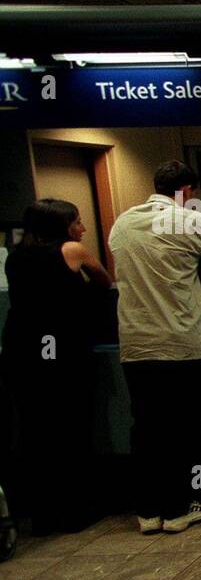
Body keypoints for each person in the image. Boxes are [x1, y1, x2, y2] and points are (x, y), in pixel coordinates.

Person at [110, 161, 201, 535]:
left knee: (145, 428)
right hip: (185, 343)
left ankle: (148, 511)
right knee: (186, 428)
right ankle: (183, 507)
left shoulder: (122, 223)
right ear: (188, 190)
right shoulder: (191, 221)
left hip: (137, 344)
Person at [1, 199, 112, 534]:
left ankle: (43, 514)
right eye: (77, 221)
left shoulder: (15, 256)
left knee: (36, 431)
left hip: (22, 349)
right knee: (72, 427)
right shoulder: (72, 251)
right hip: (63, 348)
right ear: (64, 226)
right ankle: (76, 510)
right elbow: (104, 281)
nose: (82, 227)